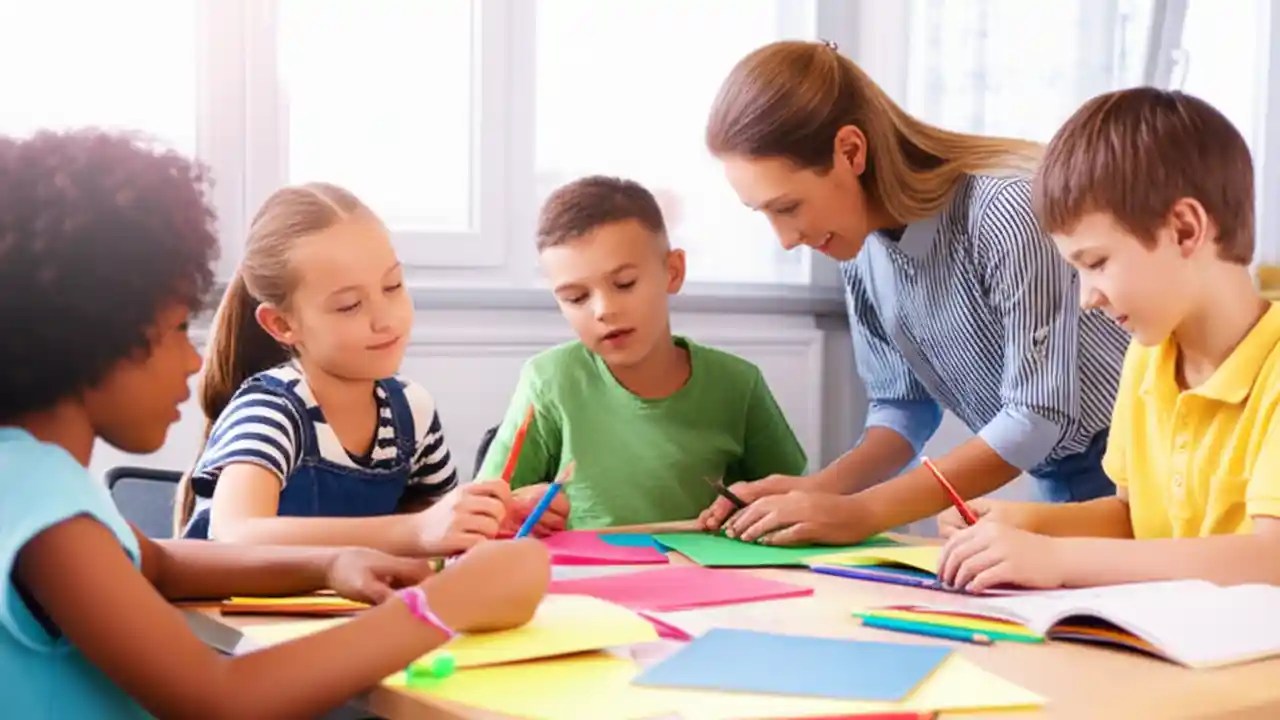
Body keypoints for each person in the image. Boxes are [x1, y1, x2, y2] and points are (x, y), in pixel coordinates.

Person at [0, 129, 549, 718]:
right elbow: (220, 697)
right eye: (173, 332)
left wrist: (330, 562)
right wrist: (445, 606)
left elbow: (162, 562)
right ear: (89, 341)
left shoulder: (37, 476)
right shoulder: (42, 509)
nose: (192, 359)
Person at [697, 39, 1130, 546]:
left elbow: (1037, 417)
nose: (786, 239)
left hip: (1132, 473)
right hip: (1061, 478)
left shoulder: (1005, 212)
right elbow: (903, 405)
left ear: (851, 152)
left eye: (788, 207)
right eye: (764, 214)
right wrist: (819, 493)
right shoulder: (859, 249)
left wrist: (862, 513)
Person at [937, 89, 1280, 592]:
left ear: (1185, 230)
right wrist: (1023, 524)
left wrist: (1056, 558)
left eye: (1095, 263)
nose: (1086, 297)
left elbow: (1269, 560)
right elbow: (1132, 519)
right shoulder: (1147, 358)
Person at [175, 182, 511, 553]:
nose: (385, 319)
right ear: (282, 325)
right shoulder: (273, 410)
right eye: (350, 305)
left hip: (349, 609)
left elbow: (436, 523)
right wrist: (414, 532)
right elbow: (235, 534)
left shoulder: (413, 411)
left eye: (393, 286)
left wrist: (489, 517)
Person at [478, 176, 808, 529]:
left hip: (702, 577)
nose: (603, 310)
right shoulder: (548, 380)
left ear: (674, 271)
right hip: (582, 580)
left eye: (624, 284)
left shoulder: (738, 385)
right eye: (575, 298)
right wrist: (513, 511)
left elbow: (791, 500)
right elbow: (483, 511)